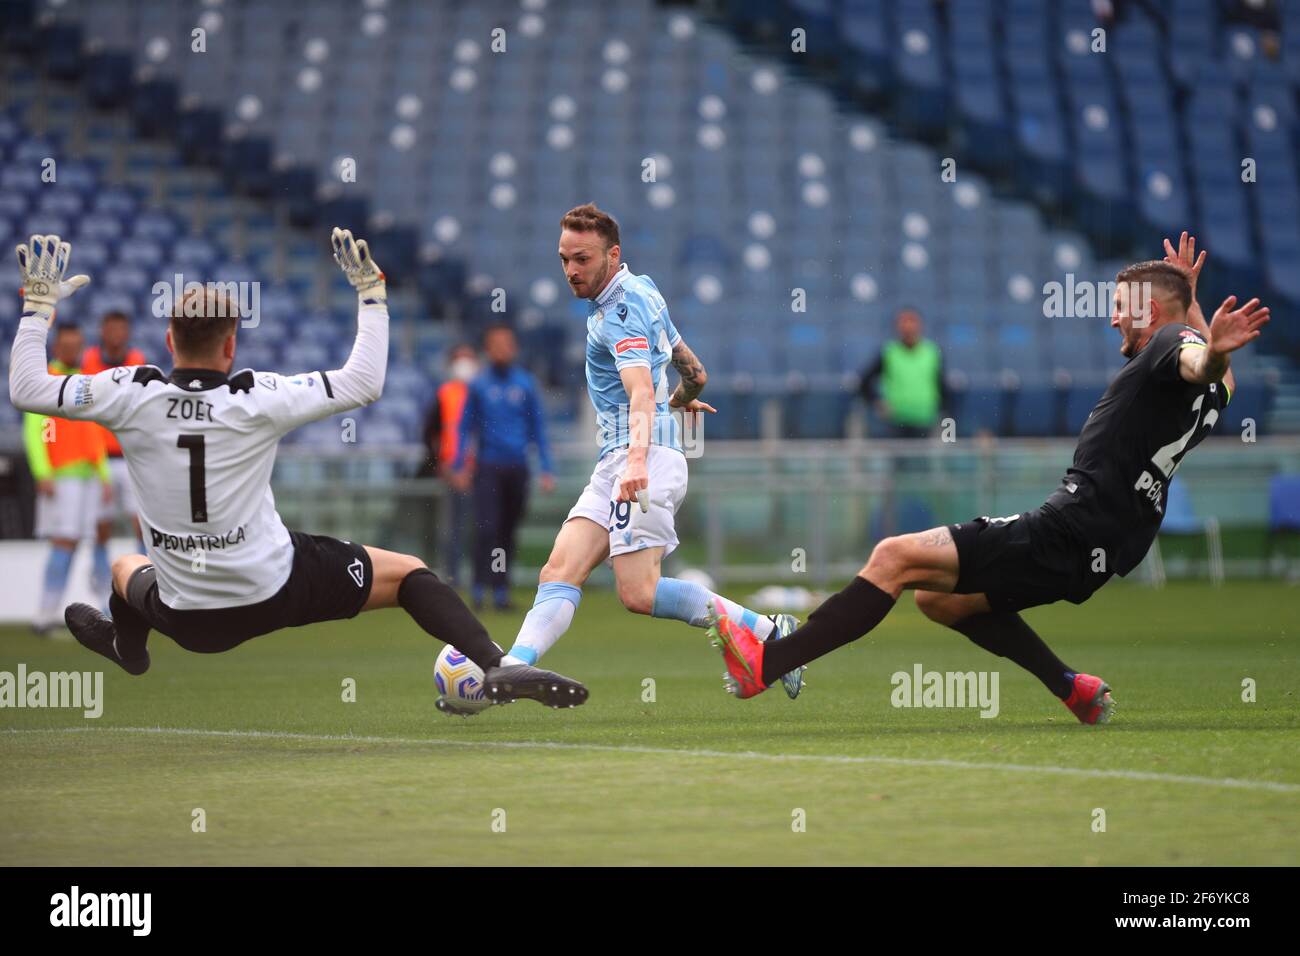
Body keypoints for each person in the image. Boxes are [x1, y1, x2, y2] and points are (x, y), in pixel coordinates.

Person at [7, 231, 587, 711]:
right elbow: (364, 381)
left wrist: (36, 308)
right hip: (275, 589)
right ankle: (497, 663)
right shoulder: (258, 396)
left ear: (167, 339)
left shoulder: (127, 392)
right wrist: (371, 295)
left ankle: (128, 649)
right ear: (231, 346)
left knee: (123, 566)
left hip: (185, 613)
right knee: (410, 575)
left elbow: (27, 387)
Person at [708, 234, 1267, 725]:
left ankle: (770, 663)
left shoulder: (1171, 348)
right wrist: (1196, 314)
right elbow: (1222, 380)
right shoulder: (1197, 376)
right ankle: (1072, 688)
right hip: (1103, 548)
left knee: (892, 558)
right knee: (940, 600)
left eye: (1121, 306)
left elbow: (1201, 362)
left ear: (1151, 312)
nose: (1112, 316)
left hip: (1068, 530)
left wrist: (1208, 344)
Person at [457, 202, 802, 716]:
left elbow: (640, 392)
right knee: (559, 569)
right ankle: (511, 669)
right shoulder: (643, 289)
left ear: (612, 254)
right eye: (564, 259)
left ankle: (772, 632)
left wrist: (638, 459)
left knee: (638, 592)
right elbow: (696, 371)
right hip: (620, 456)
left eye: (583, 258)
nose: (571, 269)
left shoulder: (619, 311)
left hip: (642, 458)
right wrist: (681, 400)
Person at [450, 324, 555, 611]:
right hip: (488, 468)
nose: (501, 350)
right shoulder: (479, 385)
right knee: (486, 528)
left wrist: (547, 469)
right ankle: (478, 587)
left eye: (506, 344)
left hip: (517, 468)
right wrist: (458, 464)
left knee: (508, 531)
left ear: (514, 348)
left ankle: (501, 591)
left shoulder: (525, 384)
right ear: (488, 349)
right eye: (496, 345)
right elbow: (464, 427)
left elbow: (538, 430)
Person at [22, 322, 111, 632]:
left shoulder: (86, 380)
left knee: (99, 537)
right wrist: (43, 471)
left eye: (77, 346)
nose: (73, 351)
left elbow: (94, 431)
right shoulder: (46, 379)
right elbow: (34, 431)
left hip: (90, 476)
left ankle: (106, 609)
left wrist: (104, 474)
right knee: (65, 541)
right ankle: (45, 615)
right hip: (62, 477)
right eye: (67, 346)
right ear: (57, 348)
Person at [82, 310, 148, 554]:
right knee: (101, 527)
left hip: (130, 456)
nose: (116, 335)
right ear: (102, 332)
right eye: (111, 329)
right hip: (99, 458)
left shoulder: (138, 360)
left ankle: (145, 574)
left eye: (121, 329)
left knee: (142, 523)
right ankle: (101, 584)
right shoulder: (88, 361)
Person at [420, 343, 477, 585]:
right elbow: (429, 434)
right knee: (451, 529)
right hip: (451, 474)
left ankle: (481, 579)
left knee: (480, 530)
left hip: (479, 473)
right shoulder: (444, 394)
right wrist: (442, 467)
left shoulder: (482, 392)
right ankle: (451, 577)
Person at [858, 307, 949, 438]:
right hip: (896, 421)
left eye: (912, 321)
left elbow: (942, 386)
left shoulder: (932, 352)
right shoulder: (889, 352)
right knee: (897, 456)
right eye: (904, 322)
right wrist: (877, 402)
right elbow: (864, 381)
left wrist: (945, 420)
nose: (908, 327)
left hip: (925, 419)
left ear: (920, 325)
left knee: (922, 457)